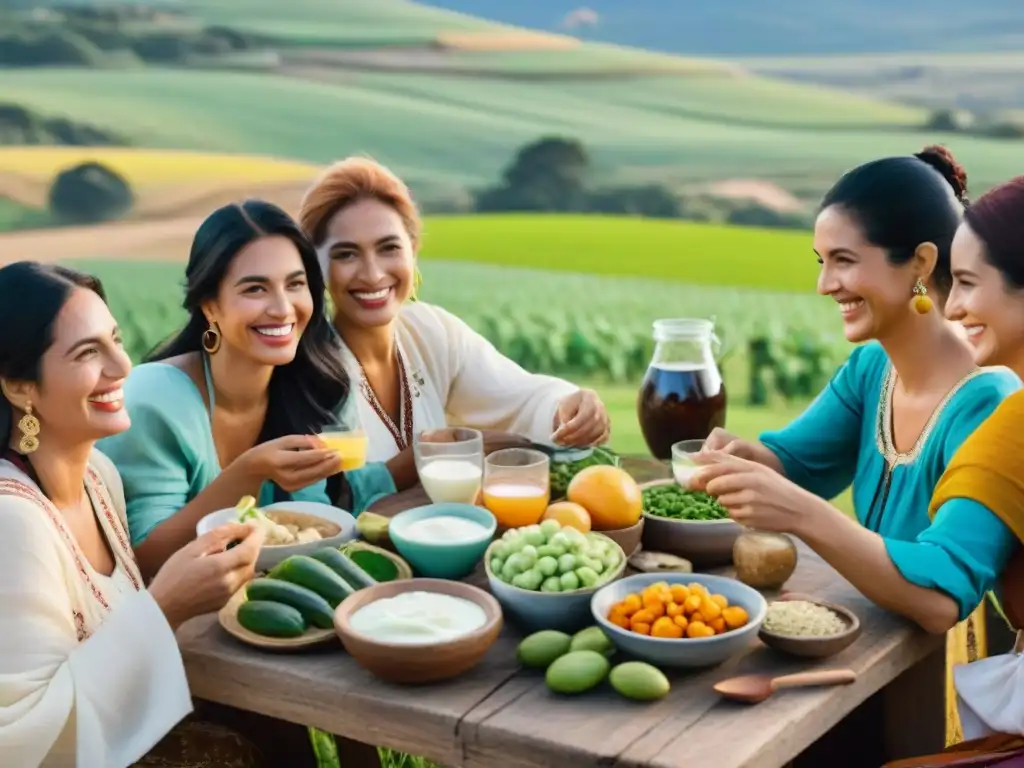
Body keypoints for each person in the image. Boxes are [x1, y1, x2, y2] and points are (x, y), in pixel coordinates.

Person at [690, 147, 1021, 638]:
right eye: (821, 262)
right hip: (869, 638)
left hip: (944, 672)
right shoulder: (872, 368)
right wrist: (743, 462)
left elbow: (941, 596)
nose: (825, 284)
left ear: (920, 263)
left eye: (843, 261)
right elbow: (799, 466)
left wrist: (801, 512)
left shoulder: (990, 401)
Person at [0, 261, 267, 767]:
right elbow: (24, 742)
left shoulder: (99, 477)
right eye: (87, 353)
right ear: (19, 387)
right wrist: (166, 605)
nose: (122, 366)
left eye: (116, 340)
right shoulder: (13, 521)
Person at [98, 200, 399, 579]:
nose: (282, 308)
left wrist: (428, 457)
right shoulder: (155, 398)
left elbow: (334, 503)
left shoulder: (320, 386)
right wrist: (250, 472)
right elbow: (145, 557)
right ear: (210, 307)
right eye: (255, 289)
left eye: (295, 284)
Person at [297, 157, 611, 463]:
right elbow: (327, 497)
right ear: (315, 266)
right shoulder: (308, 367)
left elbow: (522, 399)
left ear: (413, 249)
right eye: (347, 254)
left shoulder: (430, 332)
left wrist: (569, 406)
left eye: (388, 248)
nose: (373, 274)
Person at [885, 176, 1024, 765]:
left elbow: (940, 583)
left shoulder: (1013, 425)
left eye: (968, 283)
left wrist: (799, 513)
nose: (952, 306)